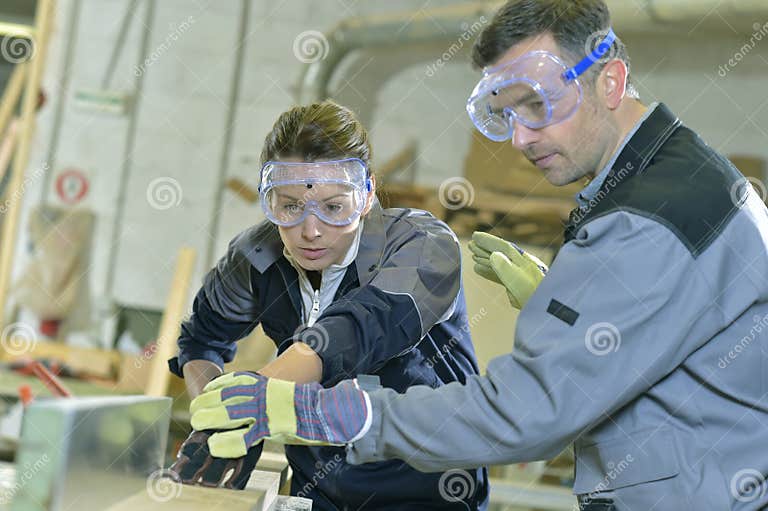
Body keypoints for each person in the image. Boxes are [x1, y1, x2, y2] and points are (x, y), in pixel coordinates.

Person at [188, 2, 768, 510]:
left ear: (610, 82)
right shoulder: (681, 179)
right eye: (506, 114)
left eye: (538, 106)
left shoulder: (650, 217)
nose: (520, 139)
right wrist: (570, 303)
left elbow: (523, 412)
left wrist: (327, 413)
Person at [167, 100, 489, 510]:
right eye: (290, 206)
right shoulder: (257, 257)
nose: (310, 230)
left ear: (367, 192)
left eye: (334, 207)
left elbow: (355, 331)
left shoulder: (422, 247)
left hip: (430, 493)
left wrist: (252, 402)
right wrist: (215, 420)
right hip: (319, 492)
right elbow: (202, 339)